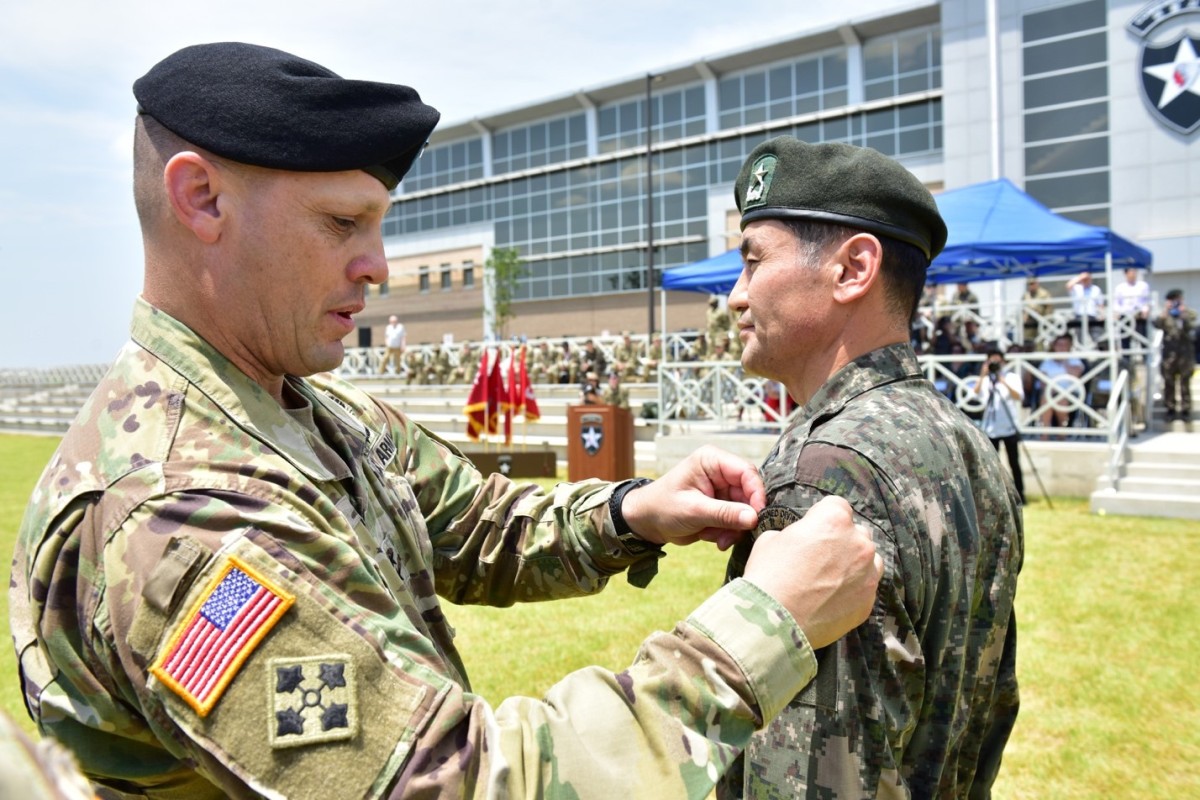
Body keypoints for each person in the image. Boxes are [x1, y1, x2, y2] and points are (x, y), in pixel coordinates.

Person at [9, 44, 884, 800]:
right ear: (200, 198)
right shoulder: (179, 517)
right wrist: (763, 628)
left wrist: (630, 513)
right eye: (342, 222)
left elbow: (473, 523)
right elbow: (456, 782)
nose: (379, 265)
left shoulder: (307, 411)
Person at [717, 136, 1023, 798]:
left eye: (753, 262)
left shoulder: (821, 478)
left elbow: (803, 776)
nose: (736, 296)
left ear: (854, 269)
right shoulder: (965, 442)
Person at [976, 347, 1027, 504]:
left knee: (1014, 462)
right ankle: (995, 495)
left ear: (1004, 362)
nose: (996, 364)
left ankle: (1020, 495)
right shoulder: (986, 381)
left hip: (1009, 426)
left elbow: (1018, 396)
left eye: (998, 361)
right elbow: (975, 394)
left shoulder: (1011, 377)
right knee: (991, 463)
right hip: (991, 428)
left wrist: (1002, 380)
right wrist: (983, 375)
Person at [1154, 288, 1197, 426]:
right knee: (1169, 383)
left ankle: (1186, 411)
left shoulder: (1188, 313)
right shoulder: (1165, 315)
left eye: (1177, 299)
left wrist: (1183, 312)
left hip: (1185, 354)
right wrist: (1166, 311)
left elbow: (1192, 324)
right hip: (1169, 355)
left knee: (1185, 383)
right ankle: (1170, 409)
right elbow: (1156, 323)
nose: (1175, 303)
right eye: (1173, 300)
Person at [1037, 333, 1087, 430]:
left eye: (1065, 345)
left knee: (1061, 397)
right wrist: (1052, 389)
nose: (1062, 348)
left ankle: (1061, 430)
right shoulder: (1047, 361)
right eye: (1059, 345)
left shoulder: (1075, 360)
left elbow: (1075, 375)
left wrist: (1064, 360)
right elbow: (1042, 381)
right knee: (1048, 397)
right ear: (1054, 346)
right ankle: (1045, 433)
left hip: (1071, 394)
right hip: (1050, 392)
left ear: (1069, 347)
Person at [1112, 267, 1151, 347]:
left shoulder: (1143, 285)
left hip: (1138, 316)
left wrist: (1145, 310)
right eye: (1131, 272)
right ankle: (1126, 359)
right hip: (1125, 316)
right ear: (1126, 273)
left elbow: (1146, 300)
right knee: (1125, 339)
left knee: (1142, 338)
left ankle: (1145, 357)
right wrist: (1116, 313)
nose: (1133, 274)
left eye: (1134, 271)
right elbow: (1117, 303)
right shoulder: (1120, 287)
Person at [1066, 270, 1105, 342]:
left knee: (1098, 338)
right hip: (1079, 317)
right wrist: (1080, 277)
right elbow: (1068, 285)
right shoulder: (1076, 288)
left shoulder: (1096, 289)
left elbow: (1100, 304)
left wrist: (1102, 315)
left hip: (1093, 316)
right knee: (1081, 339)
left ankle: (1099, 352)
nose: (1085, 280)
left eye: (1087, 278)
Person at [1022, 275, 1053, 345]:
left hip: (1041, 322)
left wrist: (1047, 320)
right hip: (1029, 323)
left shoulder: (1044, 294)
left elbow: (1049, 307)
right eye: (1029, 284)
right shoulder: (1026, 295)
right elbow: (1022, 309)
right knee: (1028, 341)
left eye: (1032, 284)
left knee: (1040, 342)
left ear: (1037, 283)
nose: (1030, 286)